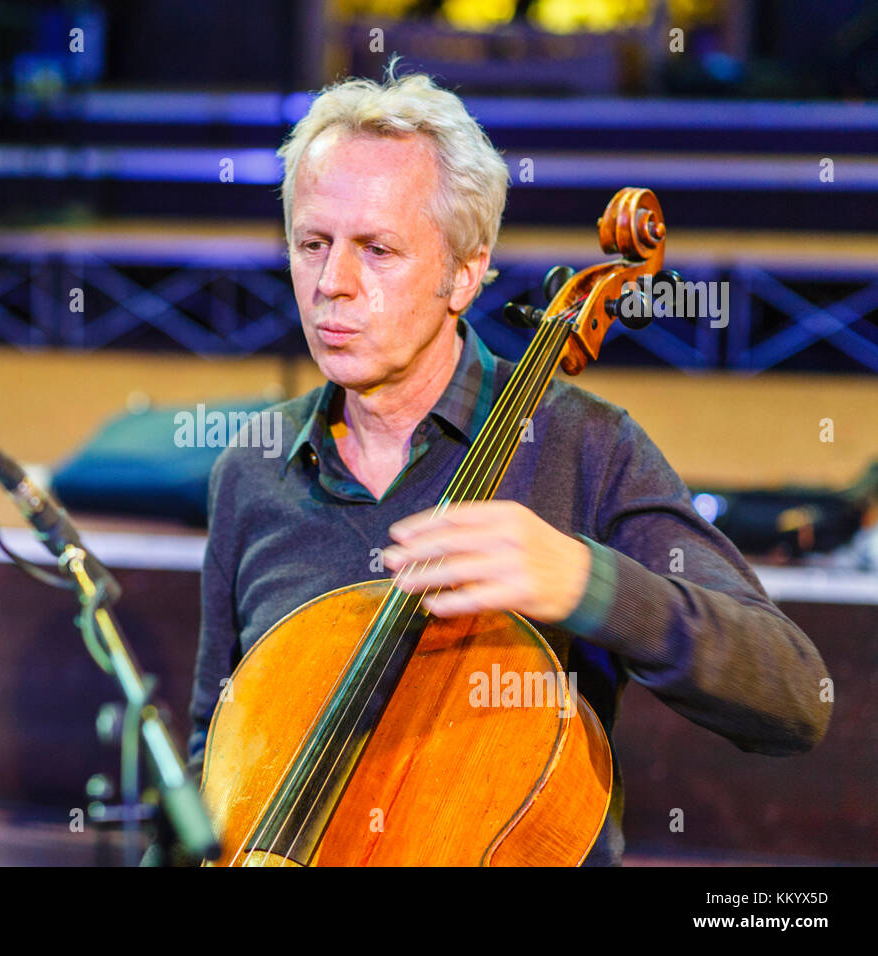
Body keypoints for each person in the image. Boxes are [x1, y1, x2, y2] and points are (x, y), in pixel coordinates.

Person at [185, 63, 831, 865]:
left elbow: (795, 694)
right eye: (312, 244)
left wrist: (584, 583)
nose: (332, 285)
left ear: (465, 271)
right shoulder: (252, 474)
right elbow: (213, 763)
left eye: (377, 250)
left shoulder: (583, 447)